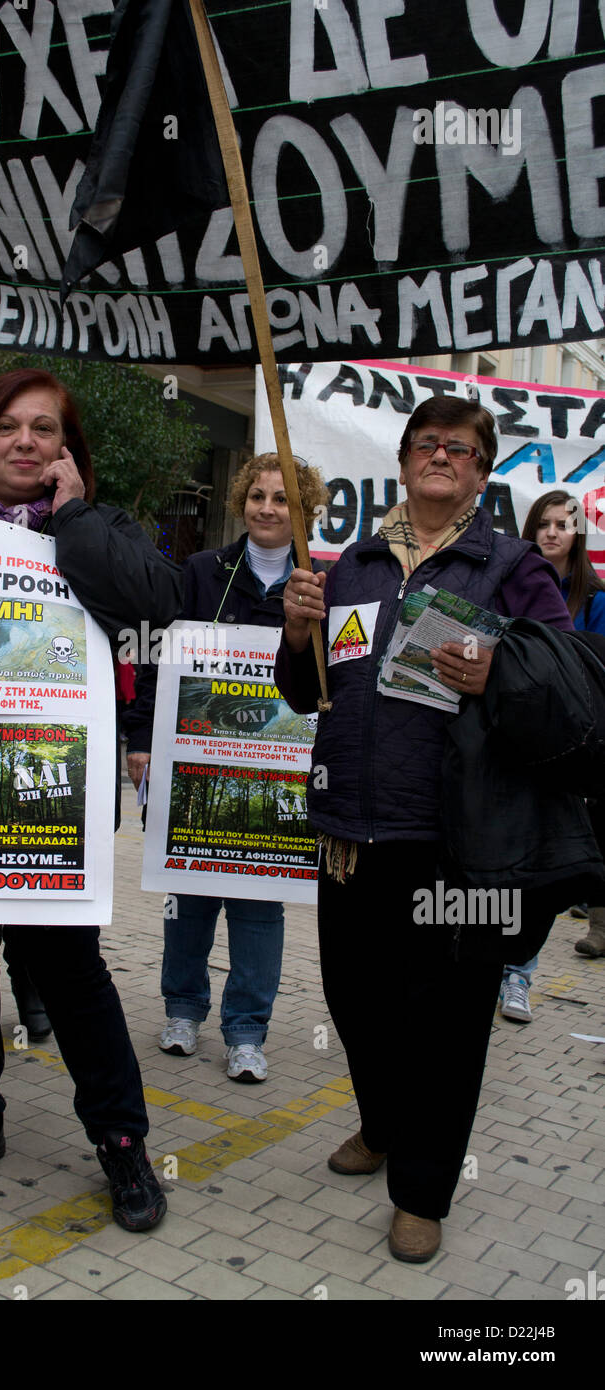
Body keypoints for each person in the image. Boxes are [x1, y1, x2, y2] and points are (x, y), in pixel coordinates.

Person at [275, 396, 574, 1263]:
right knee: (356, 1003)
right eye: (428, 444)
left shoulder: (510, 565)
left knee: (447, 1024)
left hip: (459, 848)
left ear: (482, 472)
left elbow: (560, 679)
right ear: (405, 461)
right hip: (350, 832)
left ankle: (423, 1188)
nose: (442, 455)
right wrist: (299, 637)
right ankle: (380, 1125)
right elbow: (305, 693)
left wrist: (498, 670)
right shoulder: (351, 565)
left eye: (462, 447)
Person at [0, 367, 181, 1232]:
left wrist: (76, 516)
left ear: (66, 450)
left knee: (70, 973)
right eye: (8, 426)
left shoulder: (97, 524)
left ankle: (122, 1144)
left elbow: (155, 608)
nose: (24, 442)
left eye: (44, 429)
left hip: (54, 791)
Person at [126, 454, 325, 1083]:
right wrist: (141, 737)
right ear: (241, 501)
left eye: (282, 500)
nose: (267, 509)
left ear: (305, 512)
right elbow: (156, 655)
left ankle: (246, 1031)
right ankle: (183, 1010)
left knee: (260, 907)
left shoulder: (322, 585)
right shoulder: (202, 572)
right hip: (195, 767)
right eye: (257, 496)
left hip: (279, 775)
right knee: (189, 898)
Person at [520, 490, 605, 962]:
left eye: (563, 525)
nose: (552, 533)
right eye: (544, 524)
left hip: (575, 740)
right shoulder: (510, 581)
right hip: (520, 735)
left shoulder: (595, 599)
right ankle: (513, 967)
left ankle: (597, 921)